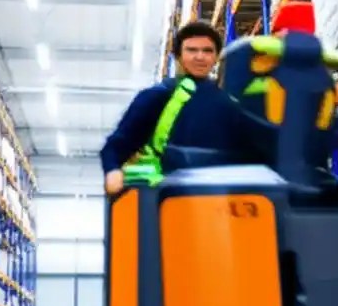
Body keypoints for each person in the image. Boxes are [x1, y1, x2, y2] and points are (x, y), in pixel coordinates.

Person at [100, 20, 262, 194]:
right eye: (191, 50)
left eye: (207, 51)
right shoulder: (159, 95)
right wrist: (112, 170)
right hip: (162, 195)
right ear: (178, 56)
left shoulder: (229, 104)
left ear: (216, 57)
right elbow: (118, 143)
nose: (200, 57)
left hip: (215, 197)